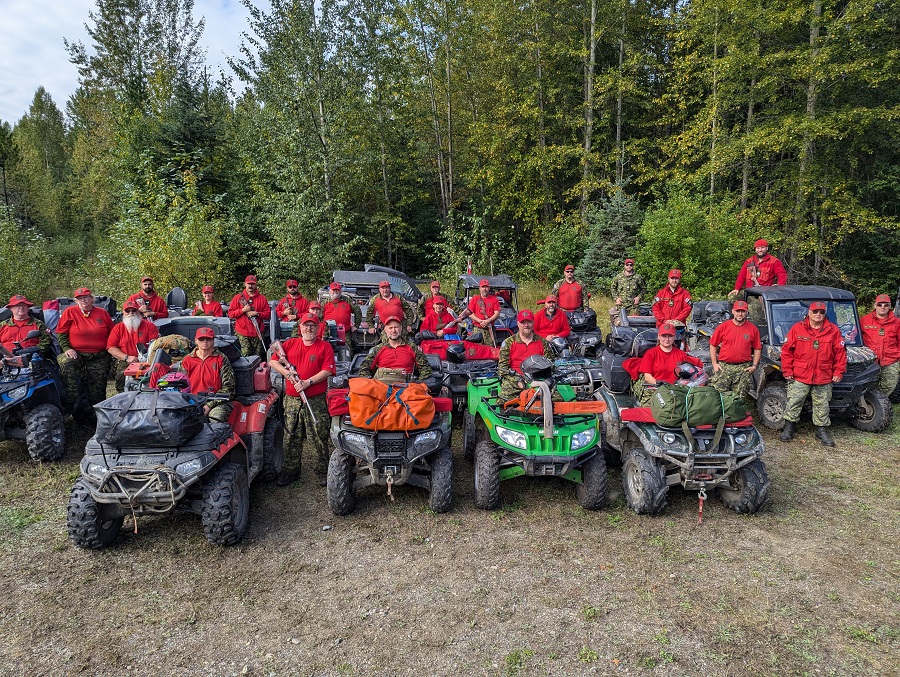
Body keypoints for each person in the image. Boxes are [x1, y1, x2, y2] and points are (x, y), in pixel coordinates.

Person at [269, 313, 336, 487]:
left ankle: (322, 471)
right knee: (291, 435)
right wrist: (288, 373)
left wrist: (307, 382)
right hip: (292, 400)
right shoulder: (290, 343)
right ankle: (290, 471)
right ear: (300, 327)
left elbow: (328, 370)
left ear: (318, 327)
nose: (309, 328)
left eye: (312, 325)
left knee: (318, 435)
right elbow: (273, 362)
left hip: (315, 399)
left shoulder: (325, 347)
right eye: (306, 325)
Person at [780, 301, 846, 447]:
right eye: (815, 312)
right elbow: (786, 351)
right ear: (809, 313)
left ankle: (821, 430)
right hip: (800, 374)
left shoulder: (833, 330)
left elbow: (840, 353)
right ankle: (789, 427)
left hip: (823, 375)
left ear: (824, 314)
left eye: (821, 312)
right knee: (794, 401)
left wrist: (838, 371)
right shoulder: (798, 328)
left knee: (822, 404)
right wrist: (787, 370)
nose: (818, 315)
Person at [56, 287, 114, 415]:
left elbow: (112, 333)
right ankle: (70, 400)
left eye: (86, 297)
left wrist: (111, 350)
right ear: (76, 301)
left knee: (97, 390)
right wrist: (67, 348)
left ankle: (98, 416)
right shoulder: (70, 312)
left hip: (99, 356)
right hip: (77, 353)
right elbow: (61, 333)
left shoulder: (102, 313)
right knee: (66, 362)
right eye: (80, 298)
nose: (84, 300)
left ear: (92, 299)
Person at [634, 323, 703, 406]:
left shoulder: (681, 354)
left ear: (674, 337)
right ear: (659, 337)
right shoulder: (651, 353)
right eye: (664, 336)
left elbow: (695, 369)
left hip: (677, 392)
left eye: (670, 336)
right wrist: (661, 386)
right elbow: (648, 377)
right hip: (656, 390)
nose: (667, 339)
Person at [180, 327, 236, 424]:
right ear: (196, 341)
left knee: (215, 419)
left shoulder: (221, 359)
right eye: (201, 339)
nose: (205, 342)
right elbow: (181, 385)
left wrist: (209, 405)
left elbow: (229, 388)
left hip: (217, 402)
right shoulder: (187, 360)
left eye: (208, 339)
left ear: (213, 341)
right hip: (192, 402)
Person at [709, 300, 762, 399]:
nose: (740, 314)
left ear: (746, 312)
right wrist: (714, 363)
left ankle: (735, 414)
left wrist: (754, 366)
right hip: (724, 368)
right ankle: (721, 414)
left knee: (738, 398)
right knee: (718, 396)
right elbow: (713, 345)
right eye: (738, 311)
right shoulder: (723, 327)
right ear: (733, 311)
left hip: (743, 369)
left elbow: (757, 348)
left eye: (743, 311)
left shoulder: (752, 329)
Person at [497, 309, 553, 400]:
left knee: (557, 399)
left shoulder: (542, 342)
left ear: (533, 323)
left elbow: (551, 364)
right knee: (502, 400)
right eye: (523, 322)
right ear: (518, 324)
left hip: (539, 380)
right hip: (516, 381)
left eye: (529, 322)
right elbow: (502, 369)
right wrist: (518, 380)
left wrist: (544, 380)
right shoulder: (509, 342)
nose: (526, 325)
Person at [106, 300, 160, 392]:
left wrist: (147, 359)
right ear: (123, 312)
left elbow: (156, 345)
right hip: (125, 360)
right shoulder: (118, 328)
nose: (131, 313)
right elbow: (111, 348)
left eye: (133, 310)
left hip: (147, 361)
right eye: (128, 311)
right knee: (121, 383)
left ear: (138, 312)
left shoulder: (150, 326)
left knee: (149, 384)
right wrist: (126, 357)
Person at [359, 316, 432, 379]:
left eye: (396, 327)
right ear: (386, 330)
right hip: (381, 388)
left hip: (406, 389)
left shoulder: (412, 348)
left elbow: (425, 369)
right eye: (390, 328)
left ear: (401, 328)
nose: (393, 331)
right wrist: (372, 383)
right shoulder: (377, 349)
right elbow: (364, 368)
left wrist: (418, 384)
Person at [859, 294, 900, 397]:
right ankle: (867, 401)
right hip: (870, 360)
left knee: (889, 384)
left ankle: (877, 401)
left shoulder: (897, 323)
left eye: (885, 305)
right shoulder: (864, 320)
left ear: (890, 306)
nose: (882, 307)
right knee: (867, 383)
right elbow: (855, 336)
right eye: (880, 304)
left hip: (890, 360)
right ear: (875, 305)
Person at [228, 275, 270, 359]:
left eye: (253, 284)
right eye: (249, 284)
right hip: (242, 332)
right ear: (245, 284)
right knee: (245, 356)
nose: (250, 286)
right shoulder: (238, 298)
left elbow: (268, 314)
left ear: (256, 284)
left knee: (257, 357)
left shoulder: (262, 299)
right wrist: (242, 310)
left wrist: (257, 314)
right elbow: (230, 314)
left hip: (257, 333)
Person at [463, 279, 501, 347]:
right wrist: (479, 321)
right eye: (483, 287)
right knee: (476, 349)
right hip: (477, 329)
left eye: (486, 287)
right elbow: (469, 313)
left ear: (489, 288)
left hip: (489, 330)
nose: (484, 289)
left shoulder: (494, 299)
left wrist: (487, 321)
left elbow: (497, 313)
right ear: (479, 288)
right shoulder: (475, 299)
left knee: (490, 349)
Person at [609, 258, 646, 326]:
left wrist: (638, 297)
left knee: (634, 323)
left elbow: (643, 289)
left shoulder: (637, 277)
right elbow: (613, 288)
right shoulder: (619, 277)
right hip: (621, 305)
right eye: (627, 265)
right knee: (620, 324)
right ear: (624, 266)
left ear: (633, 266)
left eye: (631, 265)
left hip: (633, 306)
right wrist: (616, 298)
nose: (629, 266)